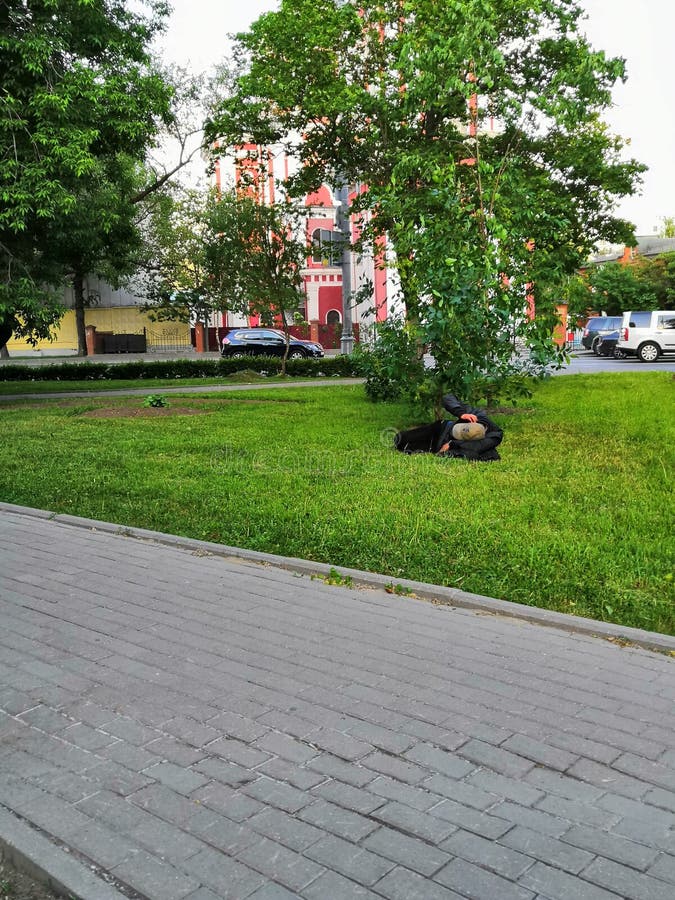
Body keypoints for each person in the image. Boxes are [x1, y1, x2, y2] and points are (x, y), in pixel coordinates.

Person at [394, 393, 503, 461]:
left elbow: (477, 447)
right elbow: (448, 397)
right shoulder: (476, 414)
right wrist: (461, 413)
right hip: (440, 429)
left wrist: (452, 444)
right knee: (400, 439)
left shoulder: (495, 435)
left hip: (441, 445)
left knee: (407, 448)